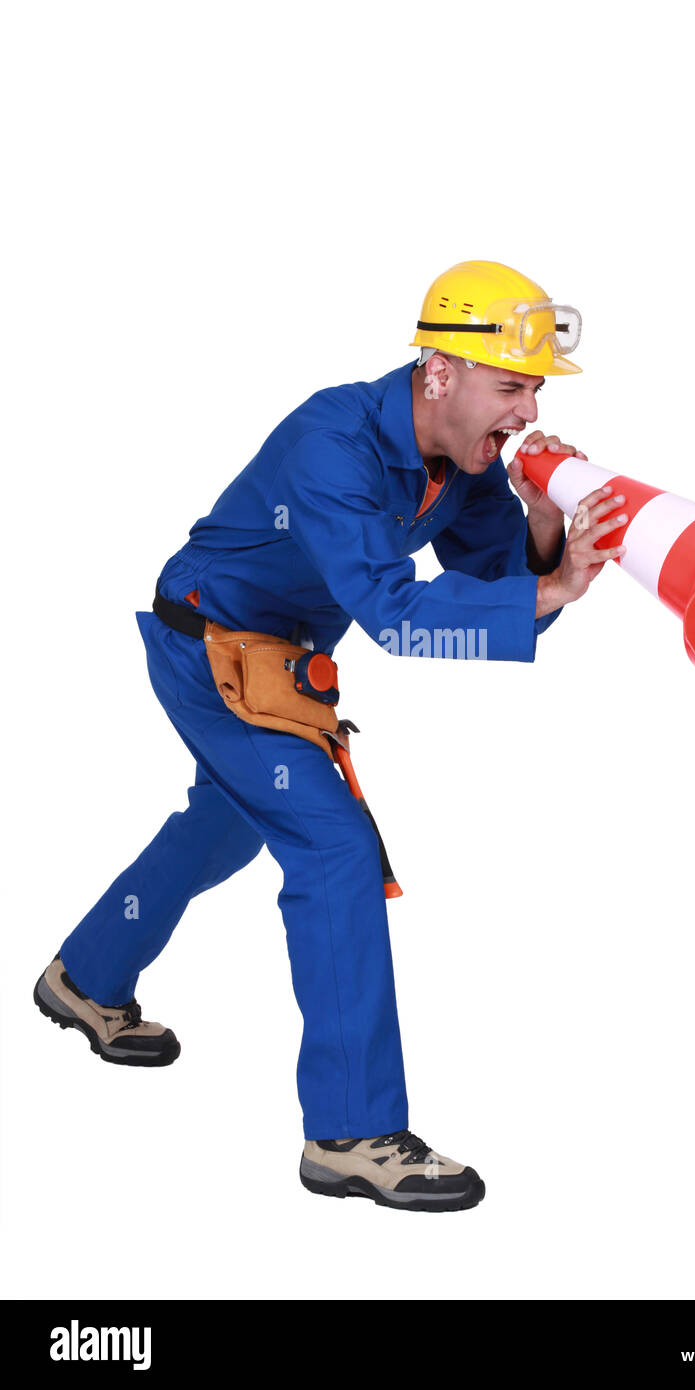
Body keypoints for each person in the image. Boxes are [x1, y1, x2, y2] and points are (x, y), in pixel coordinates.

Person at [34, 259, 628, 1213]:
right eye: (509, 385)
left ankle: (85, 975)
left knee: (224, 826)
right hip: (206, 644)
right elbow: (400, 618)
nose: (525, 411)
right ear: (440, 371)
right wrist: (546, 591)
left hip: (279, 659)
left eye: (536, 390)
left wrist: (547, 531)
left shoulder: (466, 470)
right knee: (334, 846)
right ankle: (352, 1134)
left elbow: (501, 595)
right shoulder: (332, 440)